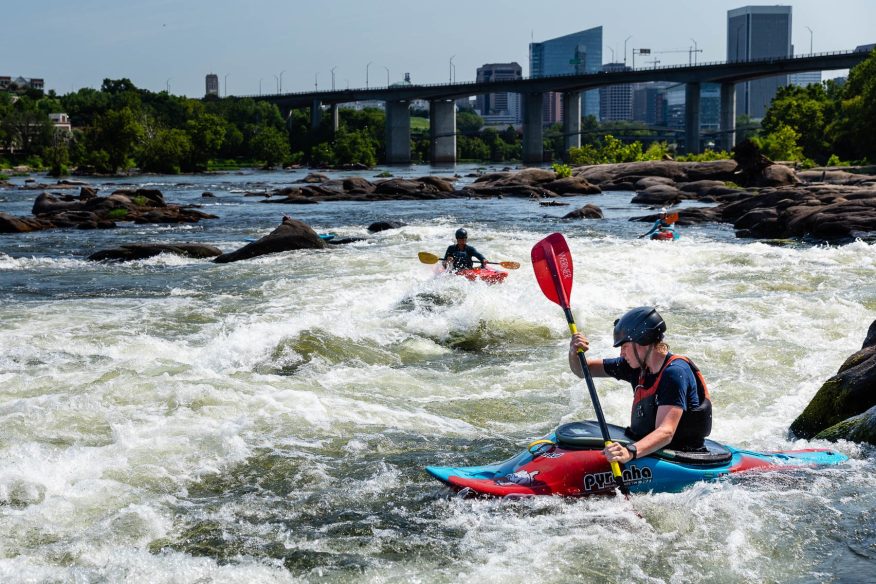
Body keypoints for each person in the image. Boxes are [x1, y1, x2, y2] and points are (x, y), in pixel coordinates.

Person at [568, 306, 713, 465]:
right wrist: (574, 352)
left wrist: (629, 452)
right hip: (649, 449)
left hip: (680, 457)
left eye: (624, 346)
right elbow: (583, 371)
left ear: (641, 342)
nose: (622, 354)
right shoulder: (635, 367)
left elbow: (666, 432)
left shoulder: (675, 373)